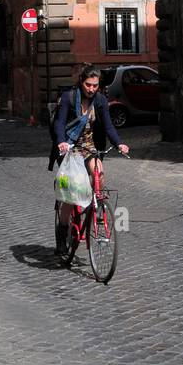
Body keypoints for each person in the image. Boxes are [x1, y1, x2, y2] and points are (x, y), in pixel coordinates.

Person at [52, 64, 129, 255]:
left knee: (99, 172)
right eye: (88, 85)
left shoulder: (101, 100)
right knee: (71, 193)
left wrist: (119, 143)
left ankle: (98, 208)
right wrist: (61, 142)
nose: (91, 89)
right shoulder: (69, 98)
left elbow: (109, 126)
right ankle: (62, 236)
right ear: (81, 82)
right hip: (69, 148)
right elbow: (59, 123)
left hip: (89, 147)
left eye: (95, 85)